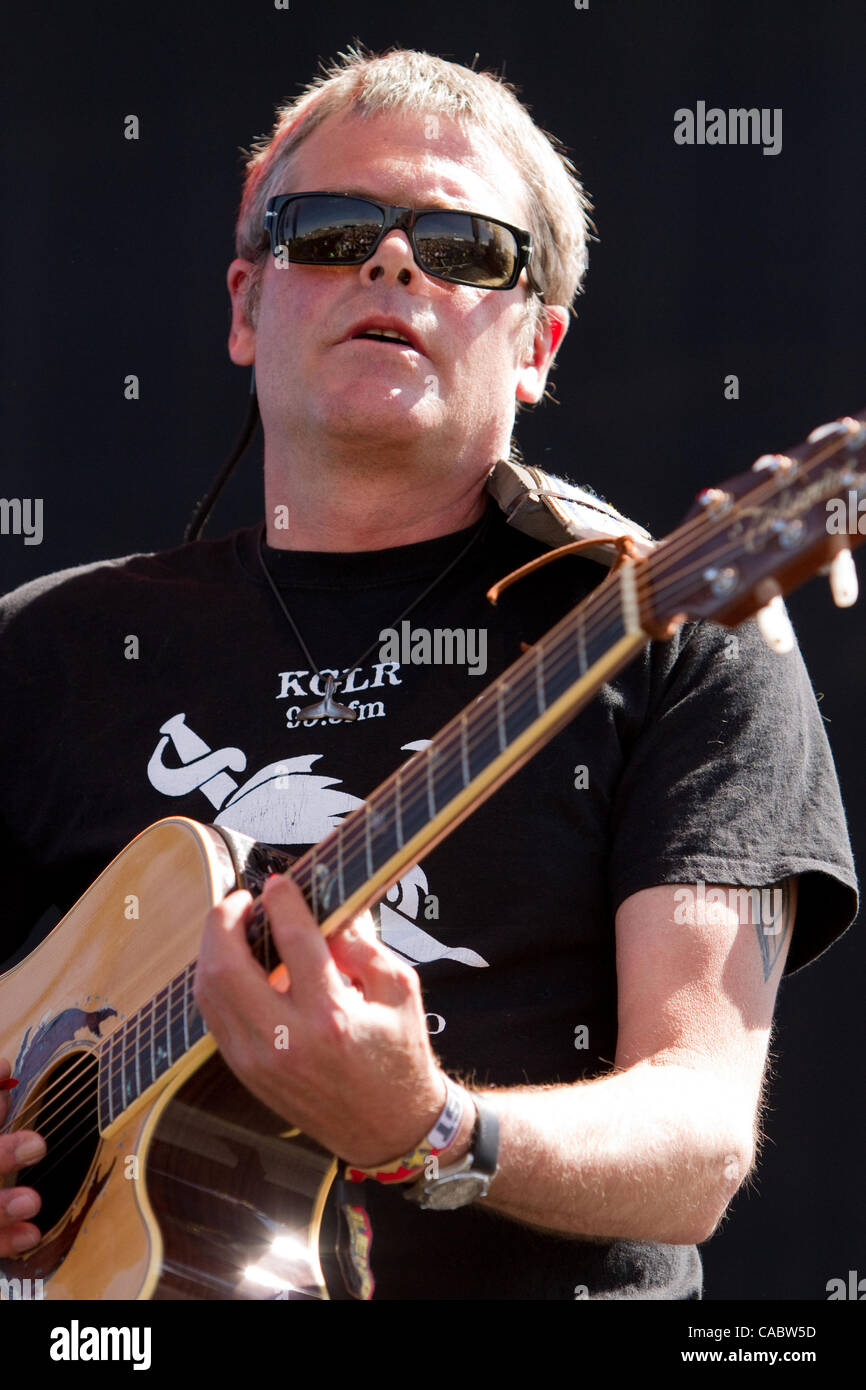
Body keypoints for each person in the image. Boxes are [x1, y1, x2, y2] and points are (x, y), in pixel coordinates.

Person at [0, 47, 857, 1300]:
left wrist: (433, 1126)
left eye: (463, 247)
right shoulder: (48, 643)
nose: (392, 263)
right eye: (333, 229)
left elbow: (697, 1144)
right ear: (245, 305)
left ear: (537, 343)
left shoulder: (666, 635)